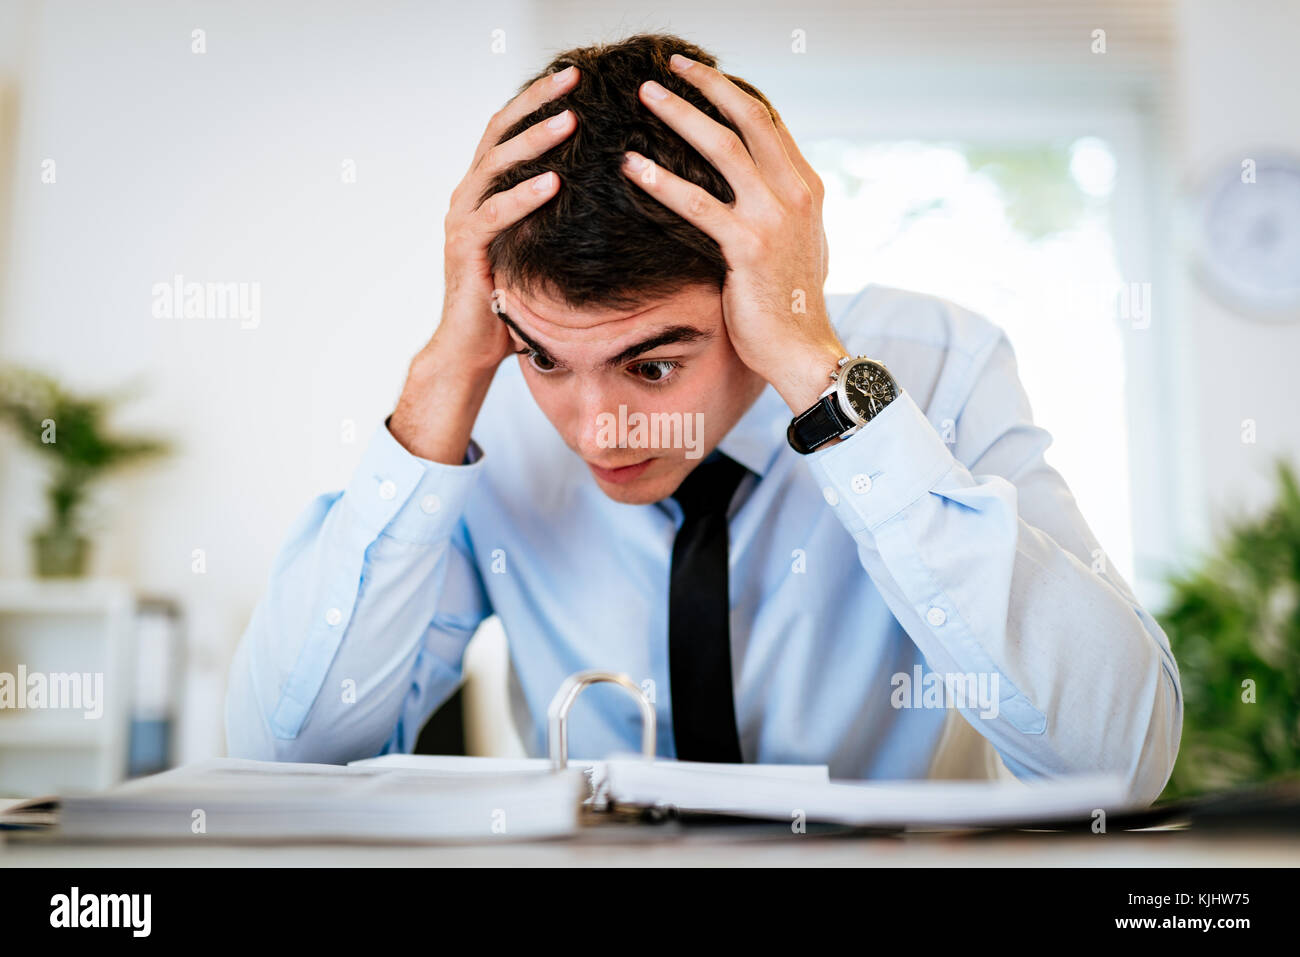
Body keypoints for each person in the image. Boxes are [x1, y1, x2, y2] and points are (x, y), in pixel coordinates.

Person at [225, 33, 1182, 805]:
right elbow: (280, 758)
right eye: (546, 356)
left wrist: (817, 370)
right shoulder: (486, 416)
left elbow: (1116, 763)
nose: (598, 429)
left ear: (759, 291)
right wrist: (444, 372)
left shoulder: (942, 365)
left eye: (652, 364)